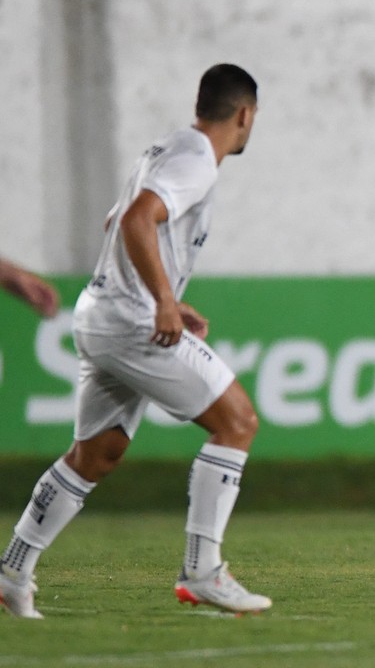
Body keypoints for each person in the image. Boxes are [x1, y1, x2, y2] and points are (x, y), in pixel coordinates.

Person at [0, 64, 271, 619]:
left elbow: (118, 218)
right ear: (245, 115)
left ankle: (11, 572)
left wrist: (164, 291)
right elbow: (136, 221)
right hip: (131, 322)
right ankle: (203, 571)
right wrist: (162, 302)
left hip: (100, 315)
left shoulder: (169, 147)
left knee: (95, 455)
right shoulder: (197, 161)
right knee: (237, 422)